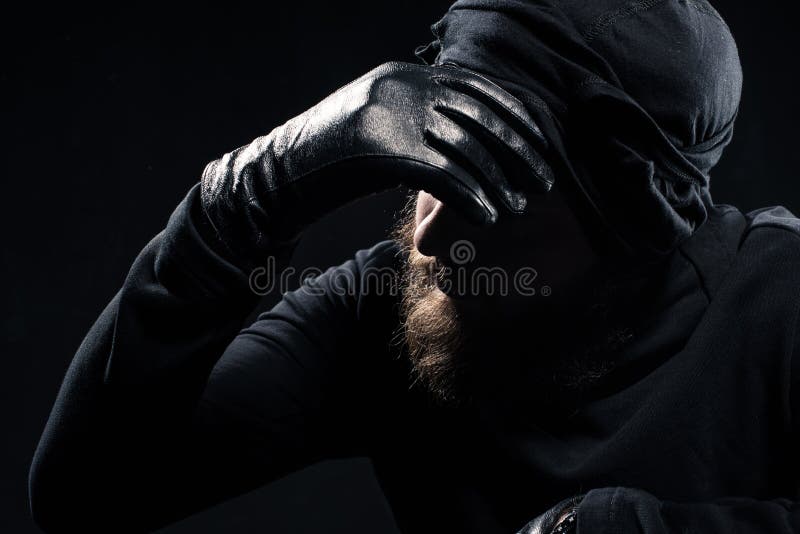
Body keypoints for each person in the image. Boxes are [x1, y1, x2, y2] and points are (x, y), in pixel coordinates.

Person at [28, 0, 800, 533]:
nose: (429, 236)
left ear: (632, 224)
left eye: (501, 187)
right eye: (437, 156)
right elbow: (84, 499)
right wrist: (241, 199)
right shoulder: (391, 308)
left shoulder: (778, 298)